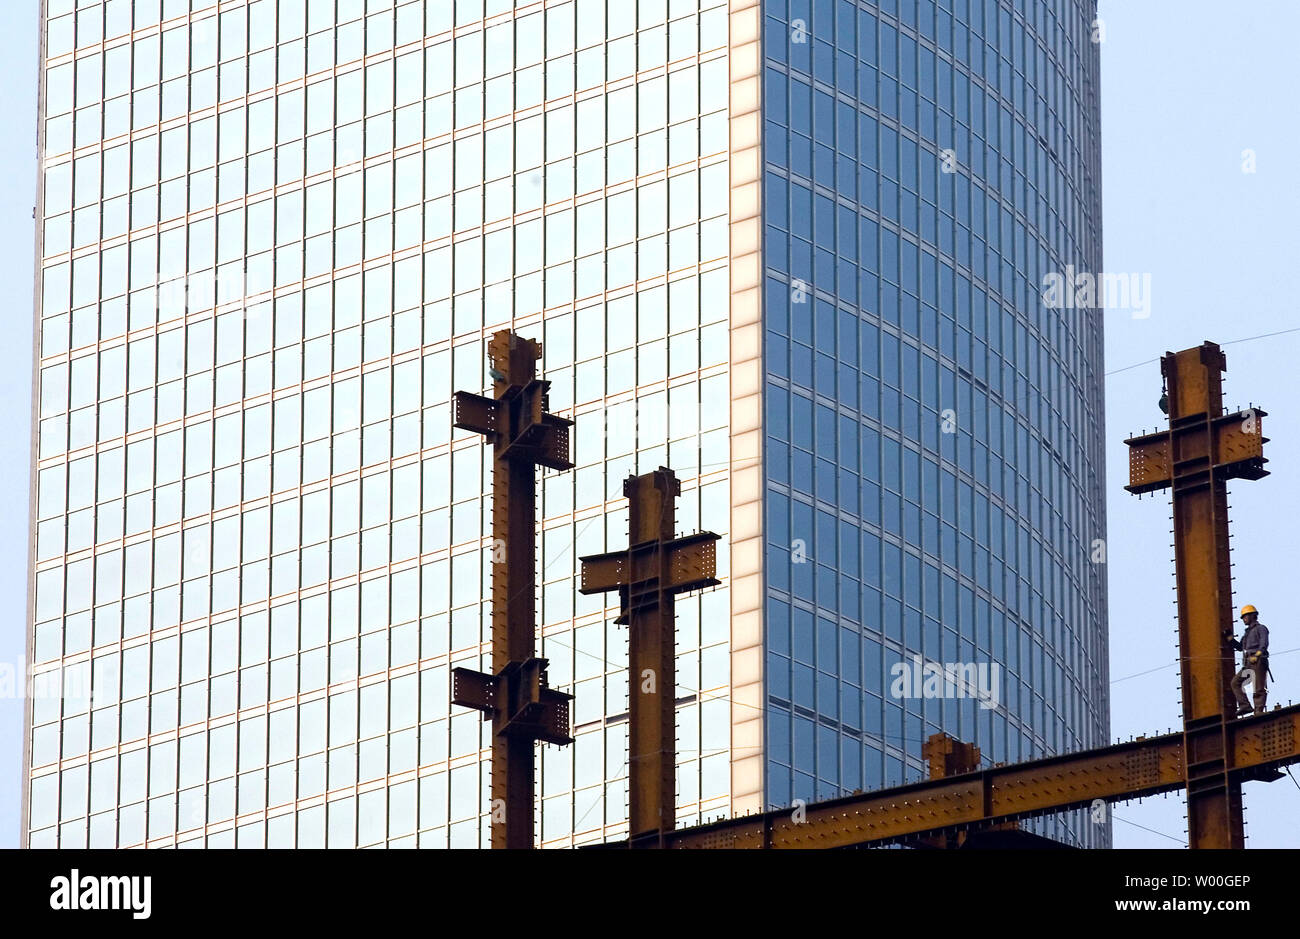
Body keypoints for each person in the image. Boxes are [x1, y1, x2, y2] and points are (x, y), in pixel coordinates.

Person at [1229, 605, 1269, 716]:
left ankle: (1258, 711)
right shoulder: (1247, 633)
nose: (1243, 619)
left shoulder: (1261, 628)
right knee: (1235, 682)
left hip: (1258, 661)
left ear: (1253, 616)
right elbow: (1240, 647)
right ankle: (1245, 706)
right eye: (1243, 617)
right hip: (1248, 663)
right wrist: (1230, 638)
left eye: (1245, 616)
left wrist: (1257, 655)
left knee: (1258, 687)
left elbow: (1264, 644)